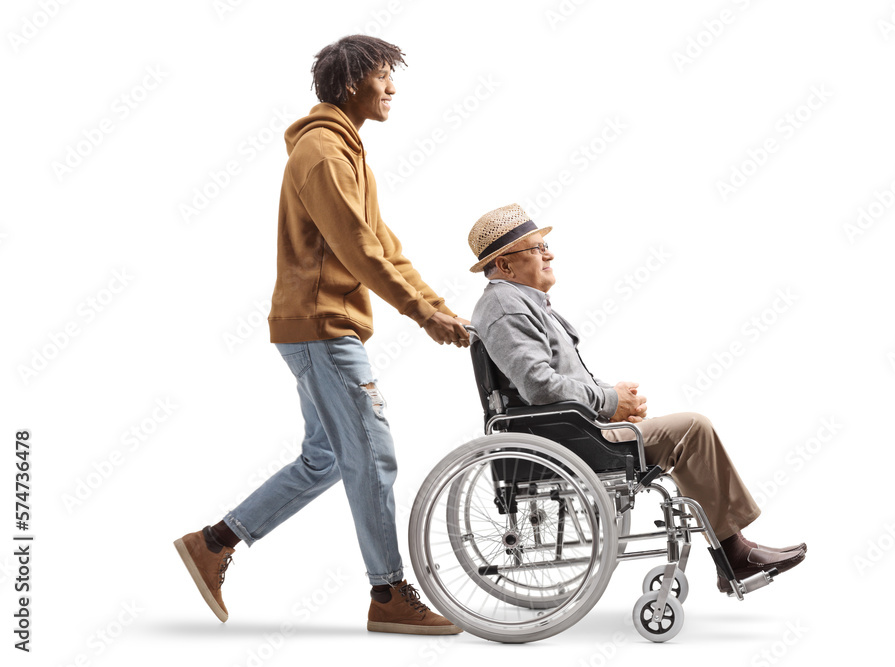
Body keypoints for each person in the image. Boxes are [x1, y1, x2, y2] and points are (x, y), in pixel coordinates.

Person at [174, 36, 468, 635]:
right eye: (384, 76)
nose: (392, 87)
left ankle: (212, 544)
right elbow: (358, 252)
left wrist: (438, 307)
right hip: (323, 328)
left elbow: (384, 245)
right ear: (351, 82)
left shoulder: (347, 150)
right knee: (373, 452)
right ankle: (387, 593)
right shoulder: (325, 154)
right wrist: (420, 313)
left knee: (328, 457)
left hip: (319, 327)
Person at [466, 204, 806, 592]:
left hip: (572, 428)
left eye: (547, 245)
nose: (550, 254)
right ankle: (734, 553)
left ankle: (733, 551)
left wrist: (614, 403)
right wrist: (609, 402)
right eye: (538, 247)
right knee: (693, 429)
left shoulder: (520, 302)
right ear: (506, 266)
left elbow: (556, 379)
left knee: (679, 432)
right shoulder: (505, 306)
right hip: (560, 438)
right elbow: (539, 385)